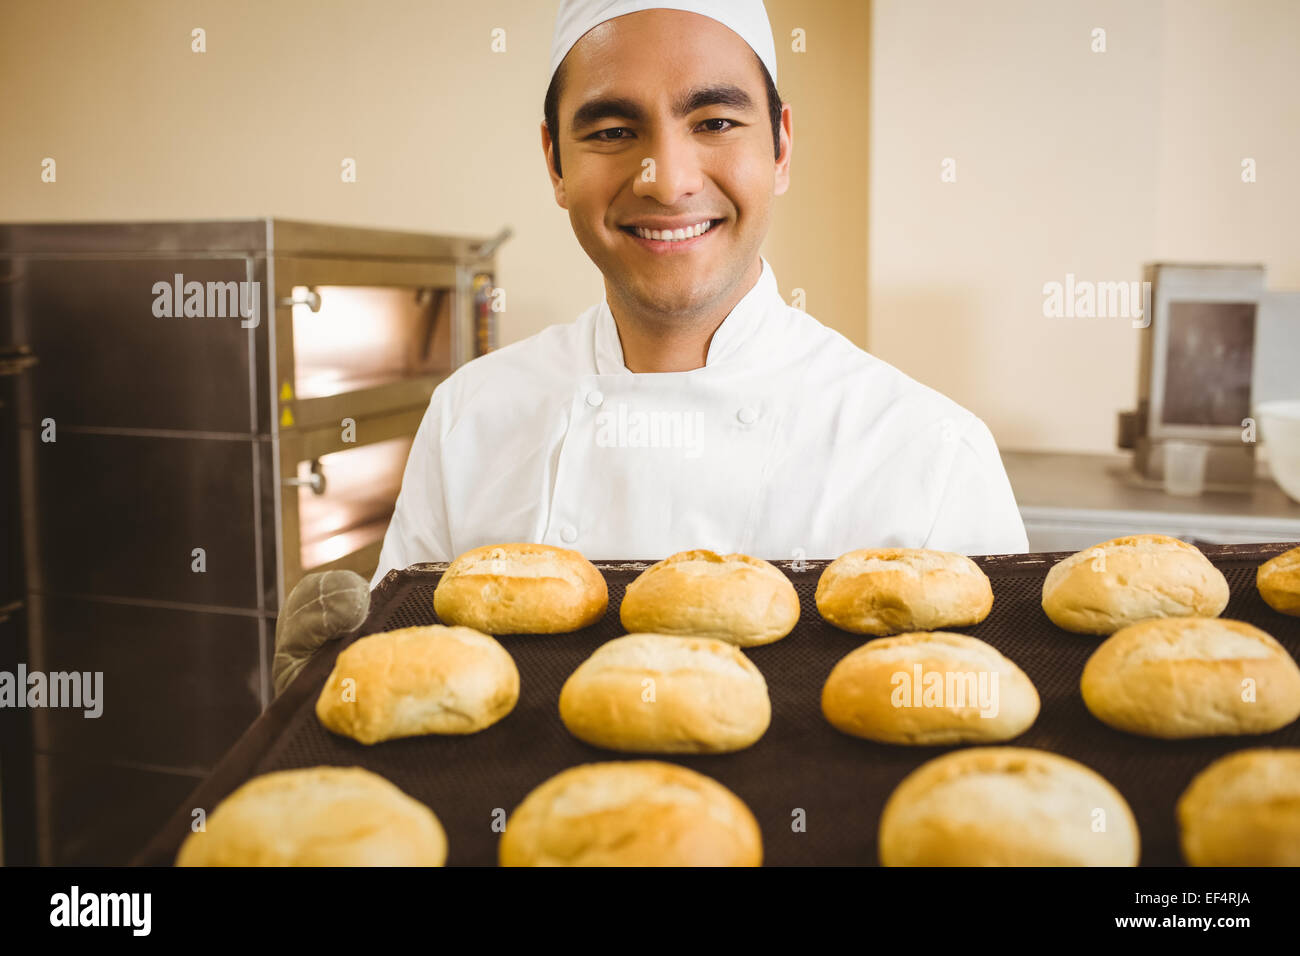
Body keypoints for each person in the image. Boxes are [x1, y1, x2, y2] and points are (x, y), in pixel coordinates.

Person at [370, 0, 1029, 588]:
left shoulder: (930, 456)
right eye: (612, 132)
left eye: (714, 122)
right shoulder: (468, 418)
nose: (668, 181)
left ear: (780, 148)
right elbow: (399, 668)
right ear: (555, 163)